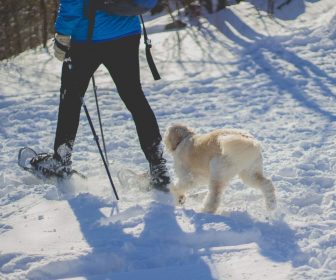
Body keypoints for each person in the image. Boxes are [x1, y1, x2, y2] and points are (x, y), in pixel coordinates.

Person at [31, 0, 170, 191]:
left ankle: (60, 161)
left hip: (86, 39)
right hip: (126, 33)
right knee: (134, 97)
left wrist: (63, 34)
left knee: (71, 98)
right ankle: (158, 167)